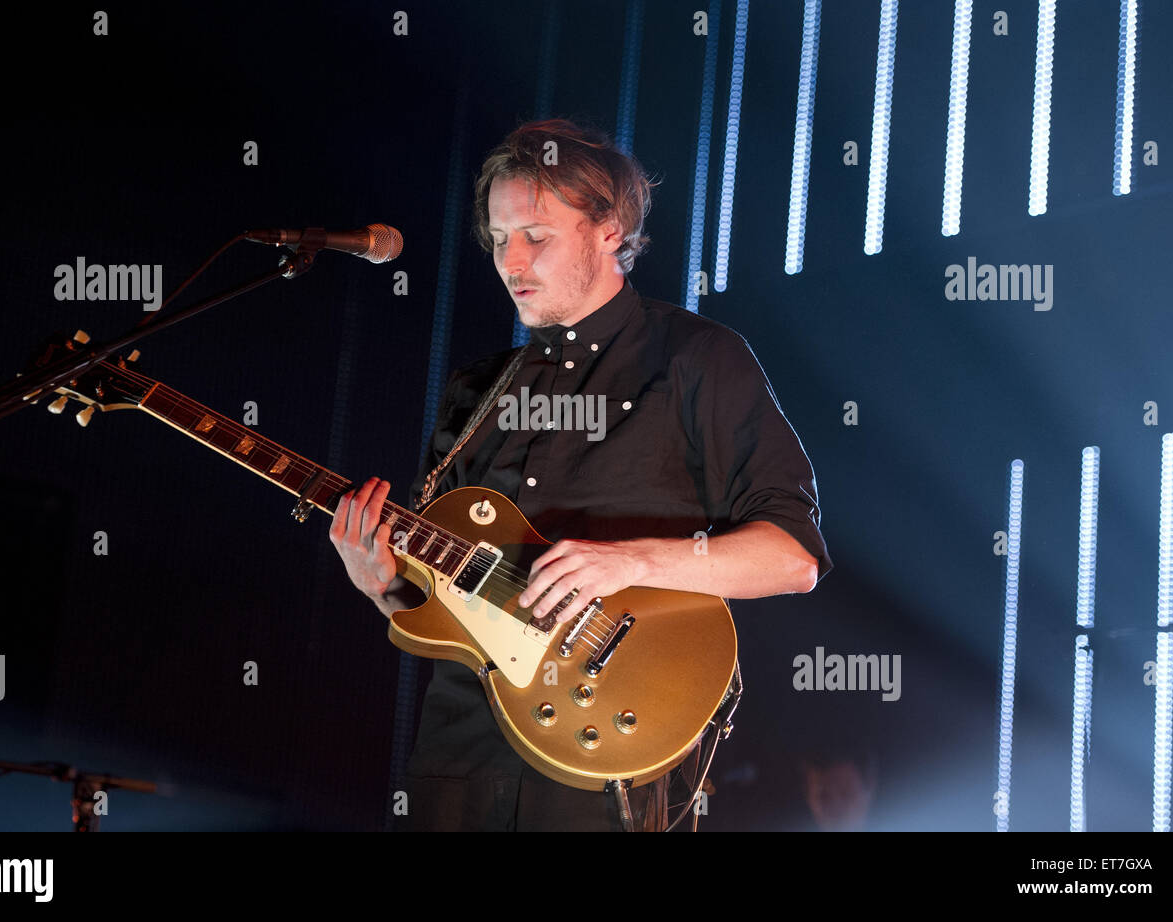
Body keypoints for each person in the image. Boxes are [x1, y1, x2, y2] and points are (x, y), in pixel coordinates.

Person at [330, 119, 833, 831]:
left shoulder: (697, 358)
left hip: (612, 764)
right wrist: (379, 582)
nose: (512, 260)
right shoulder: (479, 391)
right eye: (500, 239)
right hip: (459, 760)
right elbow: (440, 600)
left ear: (610, 229)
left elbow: (793, 557)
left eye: (536, 234)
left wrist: (629, 561)